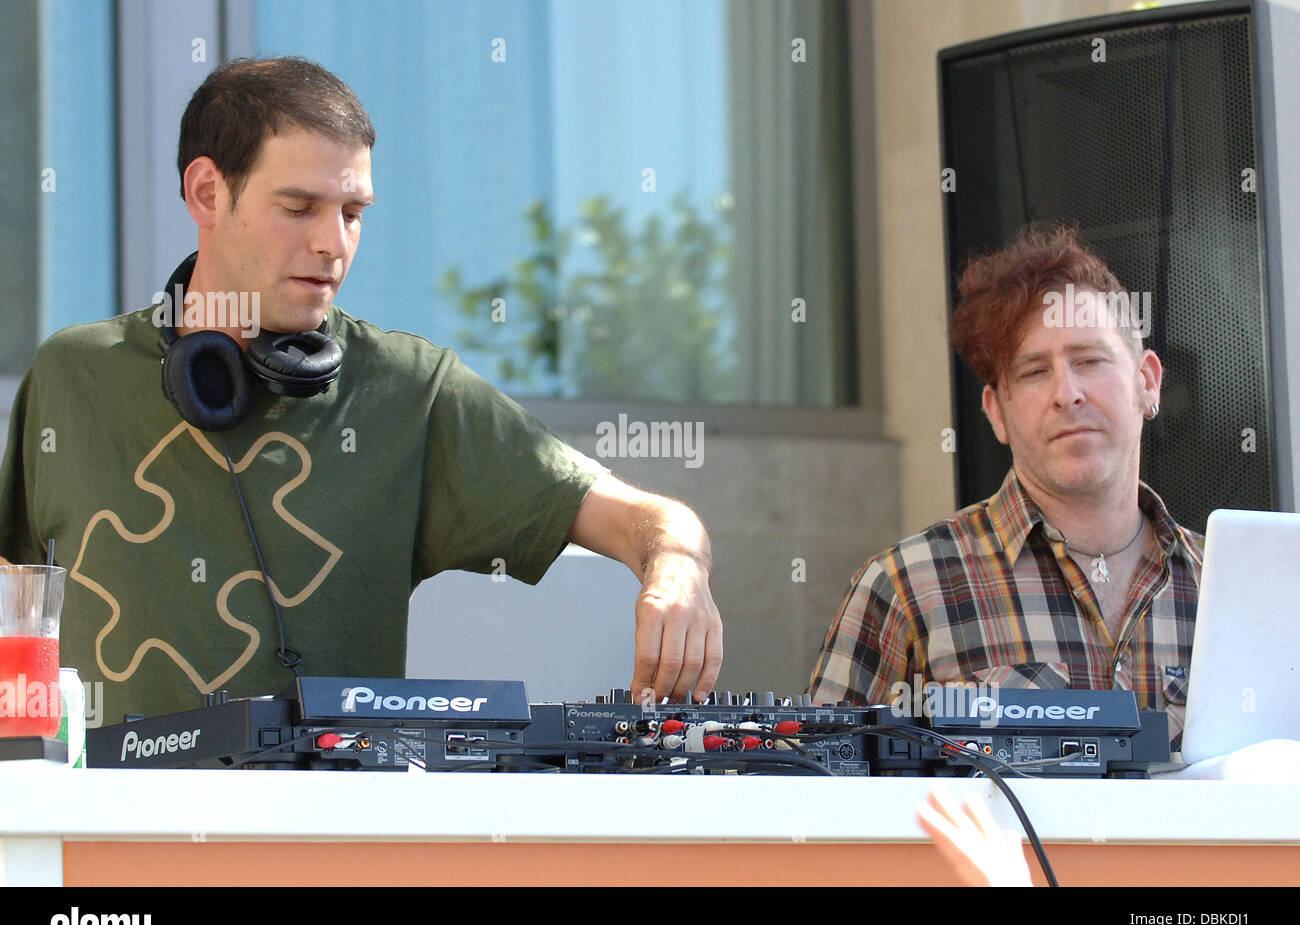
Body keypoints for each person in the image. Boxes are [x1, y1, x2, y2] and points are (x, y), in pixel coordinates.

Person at [0, 57, 722, 725]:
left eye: (352, 212)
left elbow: (645, 517)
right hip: (97, 848)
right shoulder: (71, 376)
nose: (333, 243)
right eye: (299, 207)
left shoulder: (410, 391)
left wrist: (676, 568)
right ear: (206, 192)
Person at [808, 224, 1202, 755]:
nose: (1068, 393)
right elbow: (820, 805)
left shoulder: (1232, 590)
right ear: (997, 412)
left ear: (1148, 381)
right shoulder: (906, 589)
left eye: (1089, 360)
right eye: (1035, 372)